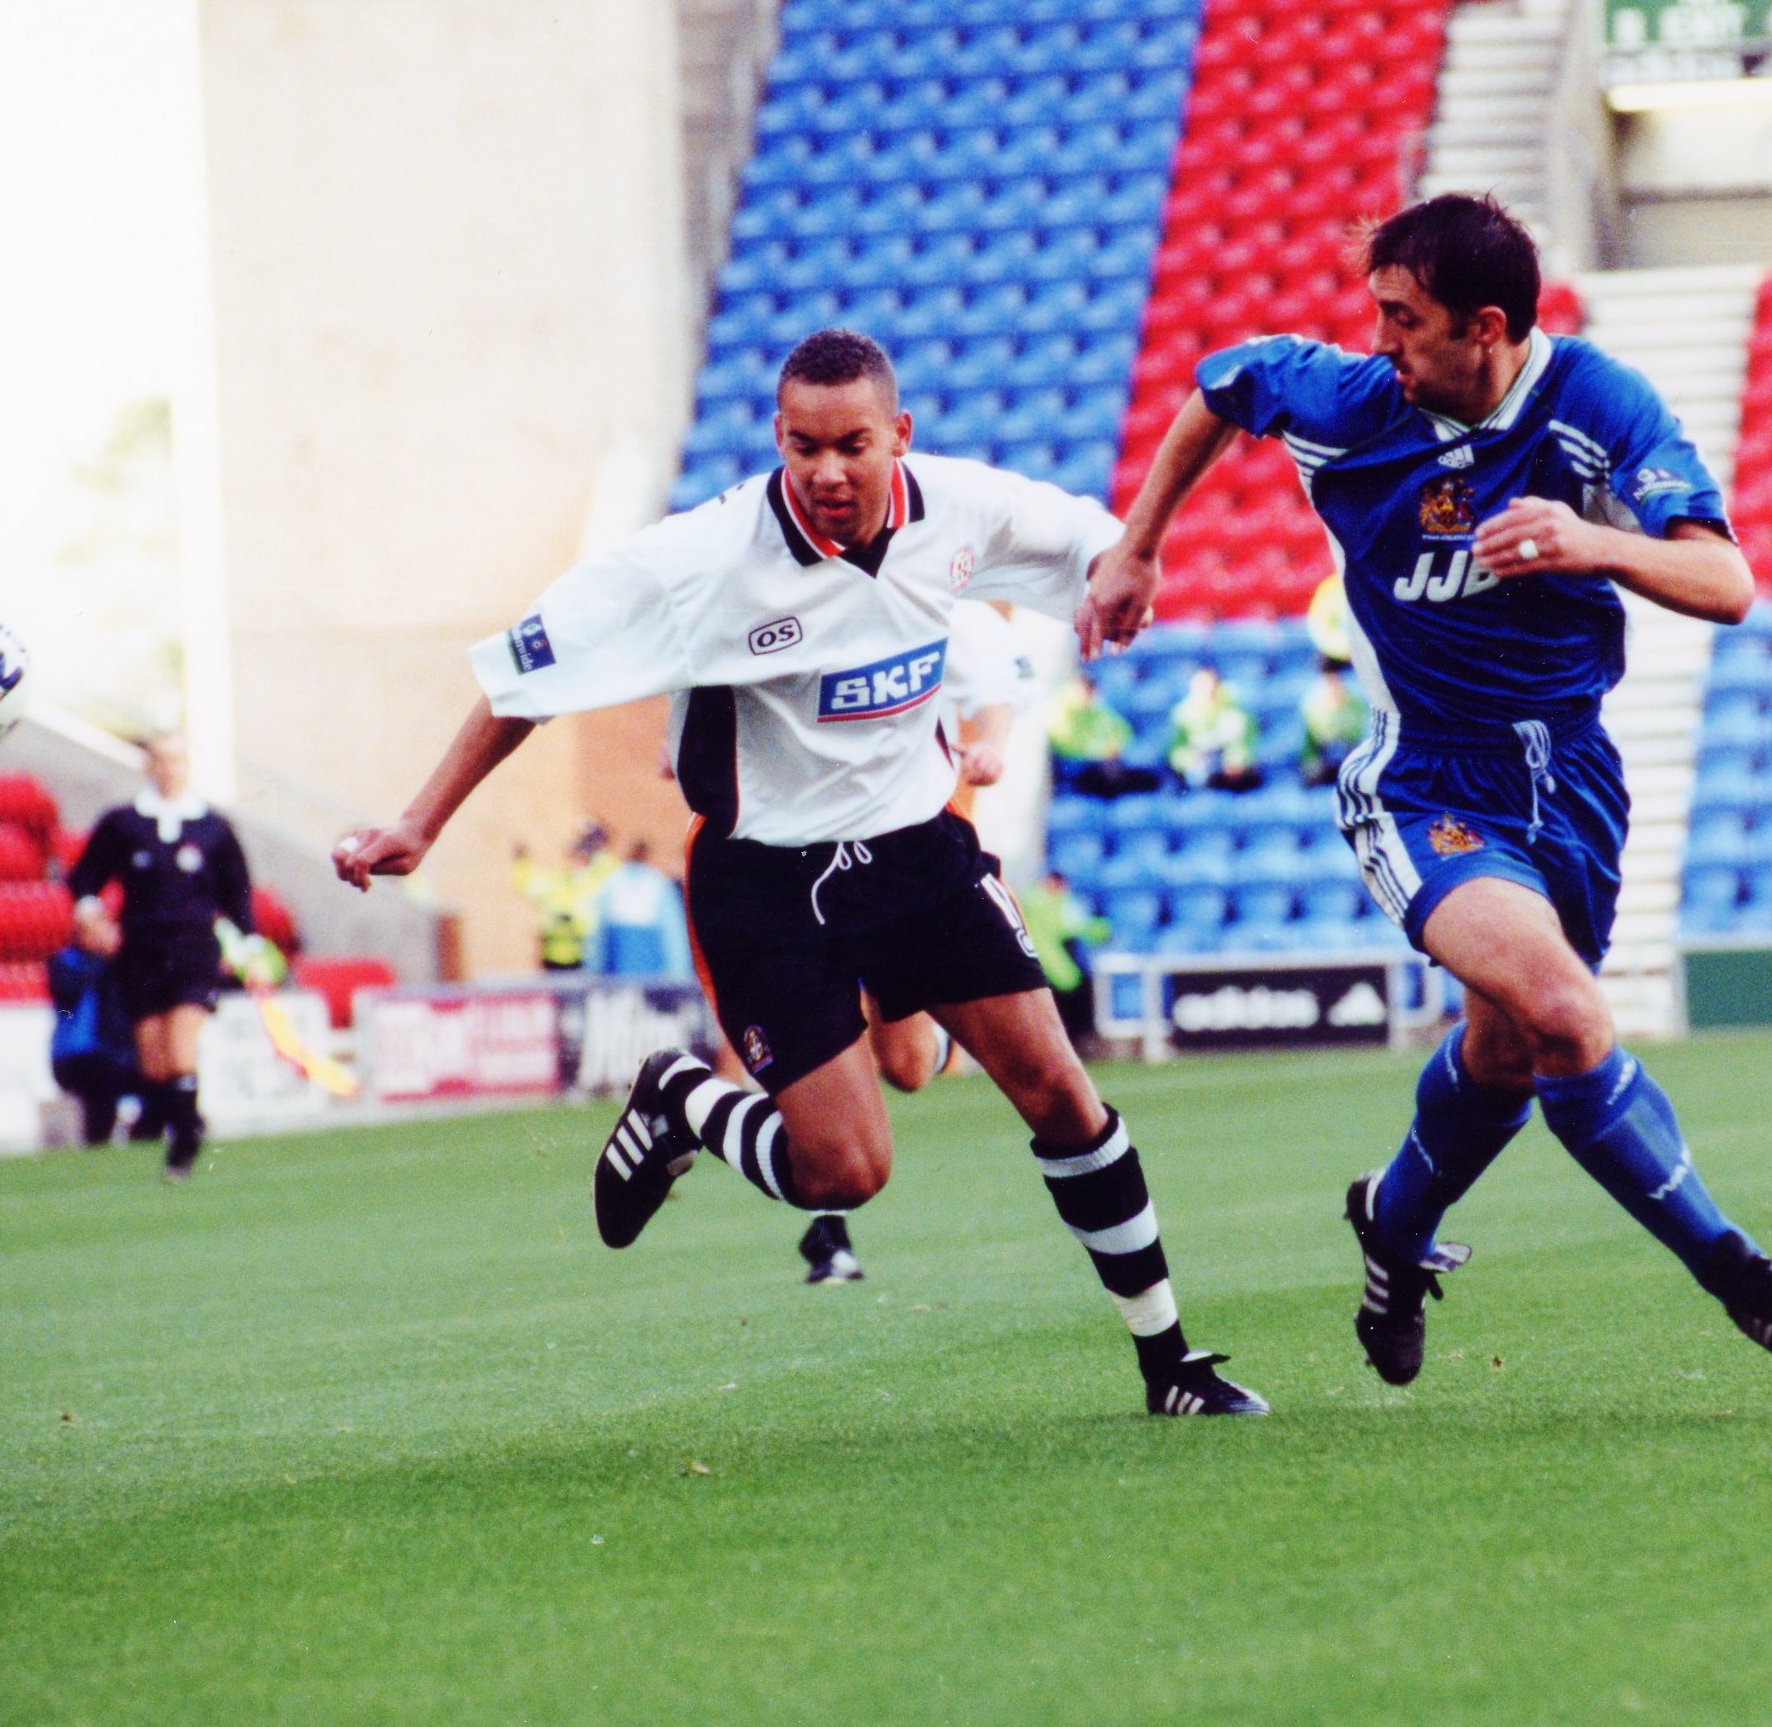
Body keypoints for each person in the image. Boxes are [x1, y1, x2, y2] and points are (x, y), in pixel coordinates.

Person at [334, 327, 1265, 1418]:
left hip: (918, 855)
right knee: (843, 1173)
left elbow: (1106, 546)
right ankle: (682, 1100)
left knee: (1062, 1094)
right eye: (801, 446)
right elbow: (526, 678)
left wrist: (1129, 574)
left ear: (897, 437)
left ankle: (1170, 1367)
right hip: (766, 881)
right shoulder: (701, 558)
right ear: (777, 438)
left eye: (851, 446)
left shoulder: (962, 509)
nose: (825, 472)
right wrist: (419, 821)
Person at [1081, 192, 1772, 1384]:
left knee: (1502, 1053)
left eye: (1403, 318)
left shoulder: (1596, 407)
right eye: (1373, 313)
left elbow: (1726, 582)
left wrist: (1594, 541)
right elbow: (1222, 386)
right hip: (1426, 776)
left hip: (1574, 779)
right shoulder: (1347, 403)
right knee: (1566, 1016)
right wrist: (1139, 546)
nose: (1376, 341)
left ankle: (1391, 1226)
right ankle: (1733, 1271)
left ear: (1484, 326)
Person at [798, 598, 1027, 1287]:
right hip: (814, 867)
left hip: (918, 874)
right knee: (824, 1046)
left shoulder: (957, 615)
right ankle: (827, 1232)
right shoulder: (816, 606)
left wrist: (990, 746)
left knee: (907, 1069)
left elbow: (994, 695)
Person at [64, 733, 252, 1182]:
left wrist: (246, 946)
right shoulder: (124, 823)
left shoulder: (213, 827)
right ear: (148, 766)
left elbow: (238, 894)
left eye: (177, 760)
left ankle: (185, 1143)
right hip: (141, 952)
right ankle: (183, 1121)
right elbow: (84, 877)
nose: (169, 769)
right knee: (154, 1062)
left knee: (181, 1045)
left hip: (193, 949)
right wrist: (92, 915)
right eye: (160, 761)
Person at [47, 920, 145, 1145]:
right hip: (78, 1053)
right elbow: (66, 996)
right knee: (101, 1096)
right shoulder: (65, 961)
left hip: (114, 1051)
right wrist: (97, 960)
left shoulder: (119, 964)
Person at [1018, 870, 1111, 1048]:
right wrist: (1104, 930)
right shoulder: (1058, 904)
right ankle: (1077, 1042)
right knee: (1073, 1001)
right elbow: (1080, 927)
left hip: (1033, 963)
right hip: (1056, 966)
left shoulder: (1027, 900)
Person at [514, 823, 616, 973]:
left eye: (581, 856)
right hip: (552, 957)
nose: (576, 861)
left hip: (583, 957)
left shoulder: (595, 884)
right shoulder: (556, 882)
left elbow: (610, 873)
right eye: (573, 855)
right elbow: (528, 885)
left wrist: (599, 842)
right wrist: (521, 862)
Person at [588, 842, 695, 981]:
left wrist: (594, 969)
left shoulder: (611, 882)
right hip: (651, 969)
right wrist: (679, 975)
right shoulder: (658, 884)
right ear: (647, 856)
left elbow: (597, 934)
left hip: (617, 968)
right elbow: (674, 936)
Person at [1042, 671, 1158, 798]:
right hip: (1080, 763)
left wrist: (1114, 748)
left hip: (1103, 759)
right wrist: (1099, 752)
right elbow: (1064, 743)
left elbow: (1120, 729)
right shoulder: (1062, 708)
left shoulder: (1096, 707)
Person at [1164, 664, 1264, 792]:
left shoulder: (1236, 711)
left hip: (1231, 771)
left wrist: (1237, 761)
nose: (1206, 691)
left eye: (1210, 686)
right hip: (1199, 769)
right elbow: (1175, 752)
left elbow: (1247, 743)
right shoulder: (1182, 714)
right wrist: (1189, 760)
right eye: (1200, 687)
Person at [1297, 664, 1370, 787]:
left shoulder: (1356, 705)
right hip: (1324, 758)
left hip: (1350, 755)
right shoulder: (1311, 707)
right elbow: (1308, 745)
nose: (1333, 688)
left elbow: (1361, 735)